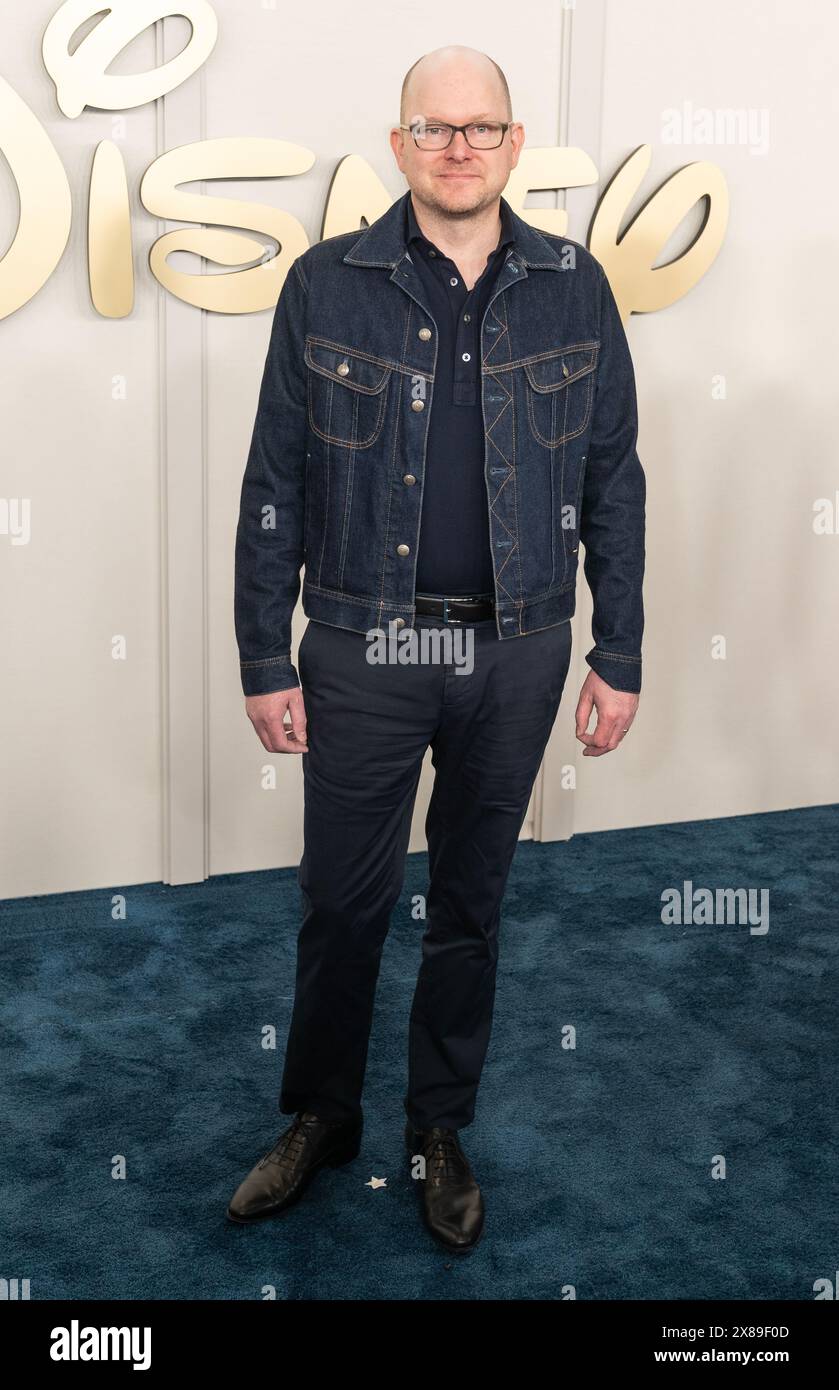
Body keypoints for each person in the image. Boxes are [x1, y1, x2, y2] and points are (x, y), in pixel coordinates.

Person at [228, 44, 645, 1254]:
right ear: (398, 144)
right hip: (361, 645)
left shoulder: (573, 284)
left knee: (469, 903)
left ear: (513, 146)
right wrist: (266, 654)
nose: (457, 147)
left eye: (480, 128)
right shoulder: (325, 283)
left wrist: (615, 650)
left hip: (516, 651)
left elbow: (611, 479)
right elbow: (275, 482)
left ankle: (436, 1129)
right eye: (433, 128)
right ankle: (320, 1113)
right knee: (342, 904)